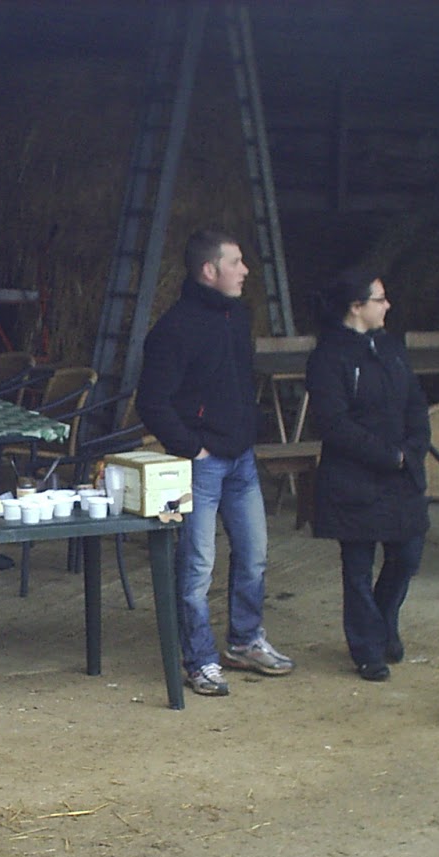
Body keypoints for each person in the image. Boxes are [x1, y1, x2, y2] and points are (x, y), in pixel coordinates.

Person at [138, 228, 294, 697]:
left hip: (240, 457)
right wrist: (191, 447)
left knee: (255, 555)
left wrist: (246, 434)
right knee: (196, 567)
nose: (245, 270)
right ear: (210, 271)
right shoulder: (173, 329)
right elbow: (152, 401)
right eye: (236, 262)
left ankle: (244, 642)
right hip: (200, 464)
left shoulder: (237, 316)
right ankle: (199, 660)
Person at [306, 269, 430, 682]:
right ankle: (367, 647)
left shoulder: (392, 346)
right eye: (379, 299)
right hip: (353, 477)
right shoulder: (328, 356)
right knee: (357, 566)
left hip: (400, 472)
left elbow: (415, 401)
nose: (388, 305)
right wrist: (387, 455)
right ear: (356, 307)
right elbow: (334, 423)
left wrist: (412, 449)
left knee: (407, 555)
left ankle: (383, 618)